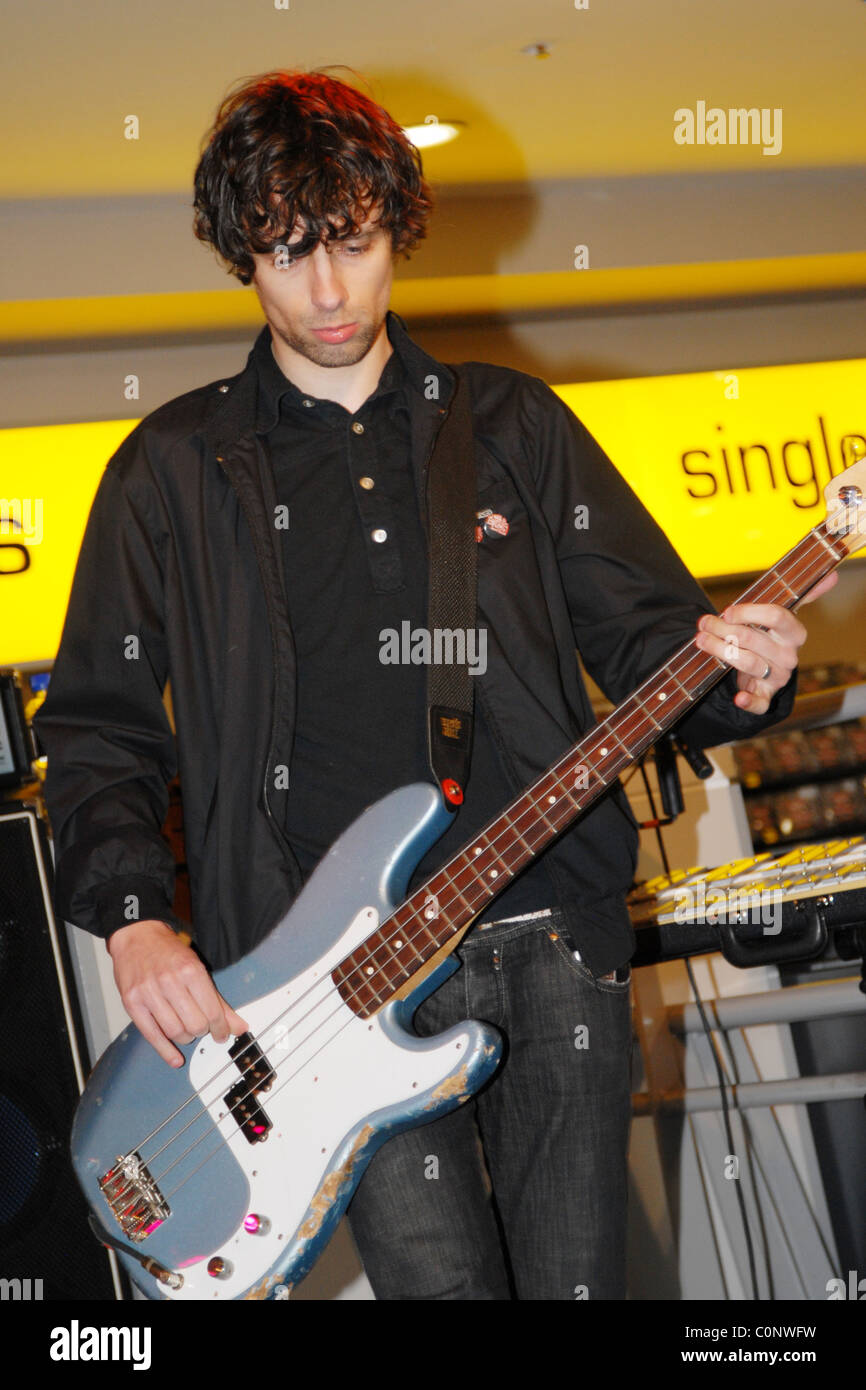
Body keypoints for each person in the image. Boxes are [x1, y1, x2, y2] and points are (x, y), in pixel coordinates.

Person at [34, 69, 835, 1301]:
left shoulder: (512, 426)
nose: (326, 290)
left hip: (545, 929)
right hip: (320, 990)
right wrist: (135, 916)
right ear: (238, 255)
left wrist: (748, 676)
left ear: (393, 229)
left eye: (351, 244)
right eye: (286, 253)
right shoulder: (169, 473)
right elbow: (96, 723)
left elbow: (651, 649)